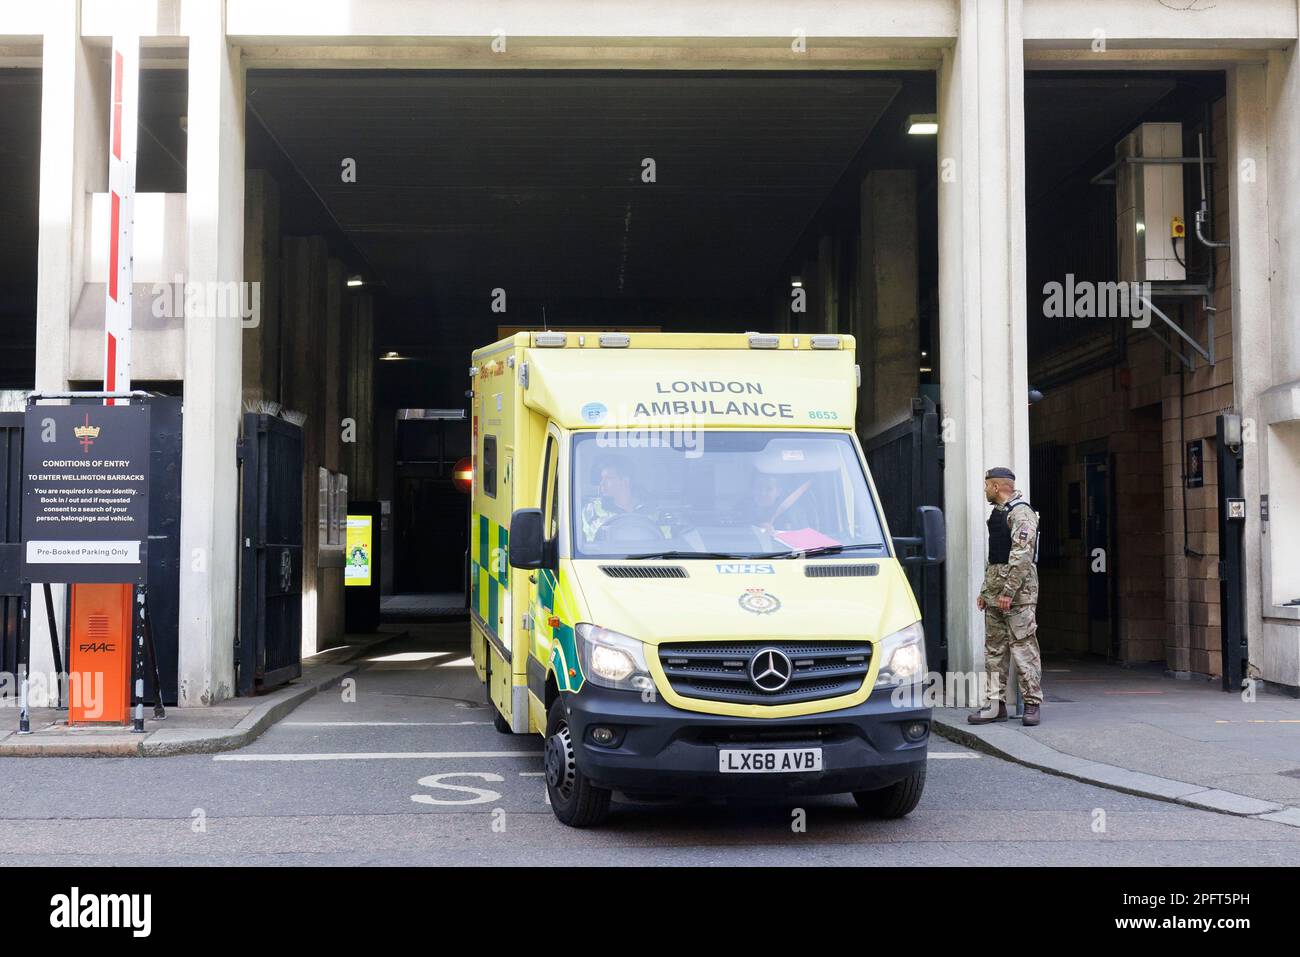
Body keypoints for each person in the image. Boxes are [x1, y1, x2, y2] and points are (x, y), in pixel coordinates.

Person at [969, 466, 1043, 727]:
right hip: (997, 596)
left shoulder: (1021, 512)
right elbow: (996, 558)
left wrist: (1008, 592)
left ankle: (1031, 704)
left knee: (1024, 648)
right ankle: (995, 705)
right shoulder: (999, 513)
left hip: (1018, 597)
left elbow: (1022, 557)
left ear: (997, 487)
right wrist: (986, 592)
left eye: (987, 485)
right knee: (994, 652)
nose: (985, 490)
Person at [580, 457, 642, 541]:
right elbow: (590, 544)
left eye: (608, 478)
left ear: (625, 482)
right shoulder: (592, 511)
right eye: (602, 478)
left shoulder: (651, 510)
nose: (602, 483)